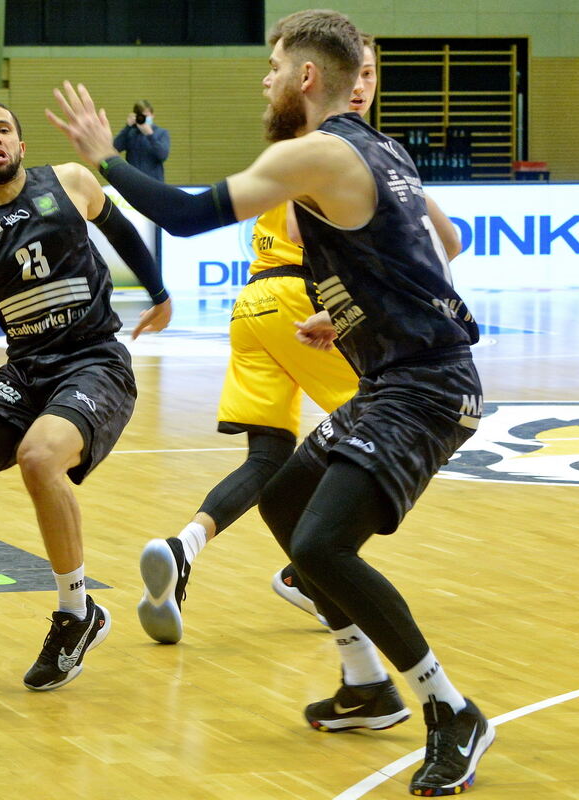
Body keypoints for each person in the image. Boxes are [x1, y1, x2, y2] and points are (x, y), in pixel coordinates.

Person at [48, 10, 494, 796]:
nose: (266, 78)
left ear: (307, 78)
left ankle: (449, 708)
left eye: (273, 64)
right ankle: (365, 682)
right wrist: (348, 309)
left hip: (425, 387)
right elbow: (433, 250)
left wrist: (106, 157)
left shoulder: (315, 150)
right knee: (286, 502)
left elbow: (185, 218)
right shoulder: (378, 147)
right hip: (399, 371)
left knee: (321, 546)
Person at [135, 38, 463, 643]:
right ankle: (313, 565)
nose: (362, 84)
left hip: (253, 305)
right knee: (382, 436)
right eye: (356, 73)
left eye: (371, 73)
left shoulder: (331, 152)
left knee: (270, 462)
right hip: (300, 299)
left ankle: (185, 546)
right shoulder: (336, 156)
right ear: (329, 76)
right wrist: (337, 307)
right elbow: (308, 225)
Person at [0, 100, 172, 692]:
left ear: (19, 144)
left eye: (4, 129)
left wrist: (159, 292)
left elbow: (119, 227)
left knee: (40, 457)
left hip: (94, 361)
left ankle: (77, 611)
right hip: (25, 370)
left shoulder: (68, 181)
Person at [112, 100, 170, 180]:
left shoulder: (161, 133)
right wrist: (127, 127)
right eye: (141, 116)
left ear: (153, 115)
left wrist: (150, 135)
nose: (144, 118)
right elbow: (115, 148)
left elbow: (163, 155)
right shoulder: (130, 133)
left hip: (154, 182)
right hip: (133, 181)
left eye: (146, 115)